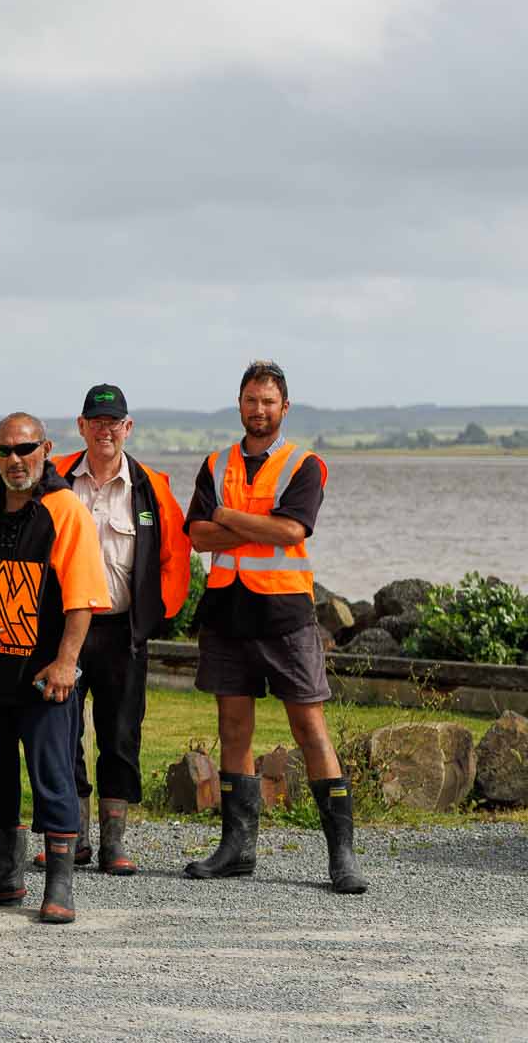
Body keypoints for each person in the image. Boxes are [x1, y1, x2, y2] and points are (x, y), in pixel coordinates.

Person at [184, 361, 365, 894]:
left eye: (268, 401)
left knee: (310, 731)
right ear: (239, 404)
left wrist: (229, 518)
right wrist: (250, 526)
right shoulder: (215, 463)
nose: (258, 410)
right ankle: (237, 849)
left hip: (286, 618)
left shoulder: (304, 464)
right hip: (226, 616)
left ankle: (342, 856)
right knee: (234, 731)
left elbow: (292, 529)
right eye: (250, 400)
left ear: (284, 408)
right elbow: (196, 535)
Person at [0, 414, 108, 925]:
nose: (16, 460)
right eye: (6, 451)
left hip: (44, 676)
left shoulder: (65, 511)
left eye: (26, 449)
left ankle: (60, 884)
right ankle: (0, 876)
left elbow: (83, 596)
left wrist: (66, 663)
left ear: (46, 448)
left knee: (52, 776)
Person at [45, 385, 189, 875]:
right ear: (81, 426)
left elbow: (176, 554)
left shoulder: (152, 486)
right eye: (96, 421)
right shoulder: (56, 479)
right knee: (62, 734)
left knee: (121, 736)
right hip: (64, 631)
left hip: (124, 632)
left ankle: (115, 842)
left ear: (128, 428)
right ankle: (73, 835)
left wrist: (155, 614)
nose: (105, 431)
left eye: (115, 422)